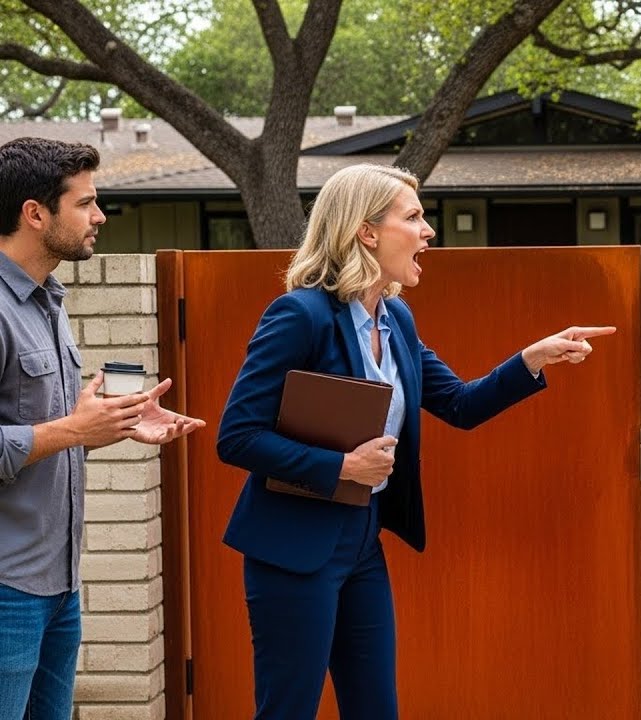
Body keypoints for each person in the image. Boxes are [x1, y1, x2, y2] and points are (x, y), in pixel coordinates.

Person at [216, 162, 615, 719]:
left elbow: (460, 403)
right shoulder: (300, 315)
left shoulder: (395, 318)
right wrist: (341, 466)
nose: (429, 231)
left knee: (377, 709)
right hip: (293, 551)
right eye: (415, 217)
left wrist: (531, 359)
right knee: (288, 711)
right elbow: (237, 437)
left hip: (362, 543)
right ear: (367, 231)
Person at [0, 137, 205, 720]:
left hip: (58, 586)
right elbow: (62, 430)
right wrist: (74, 430)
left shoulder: (48, 301)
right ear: (35, 214)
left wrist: (117, 418)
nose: (100, 216)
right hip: (6, 590)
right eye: (86, 203)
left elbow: (49, 419)